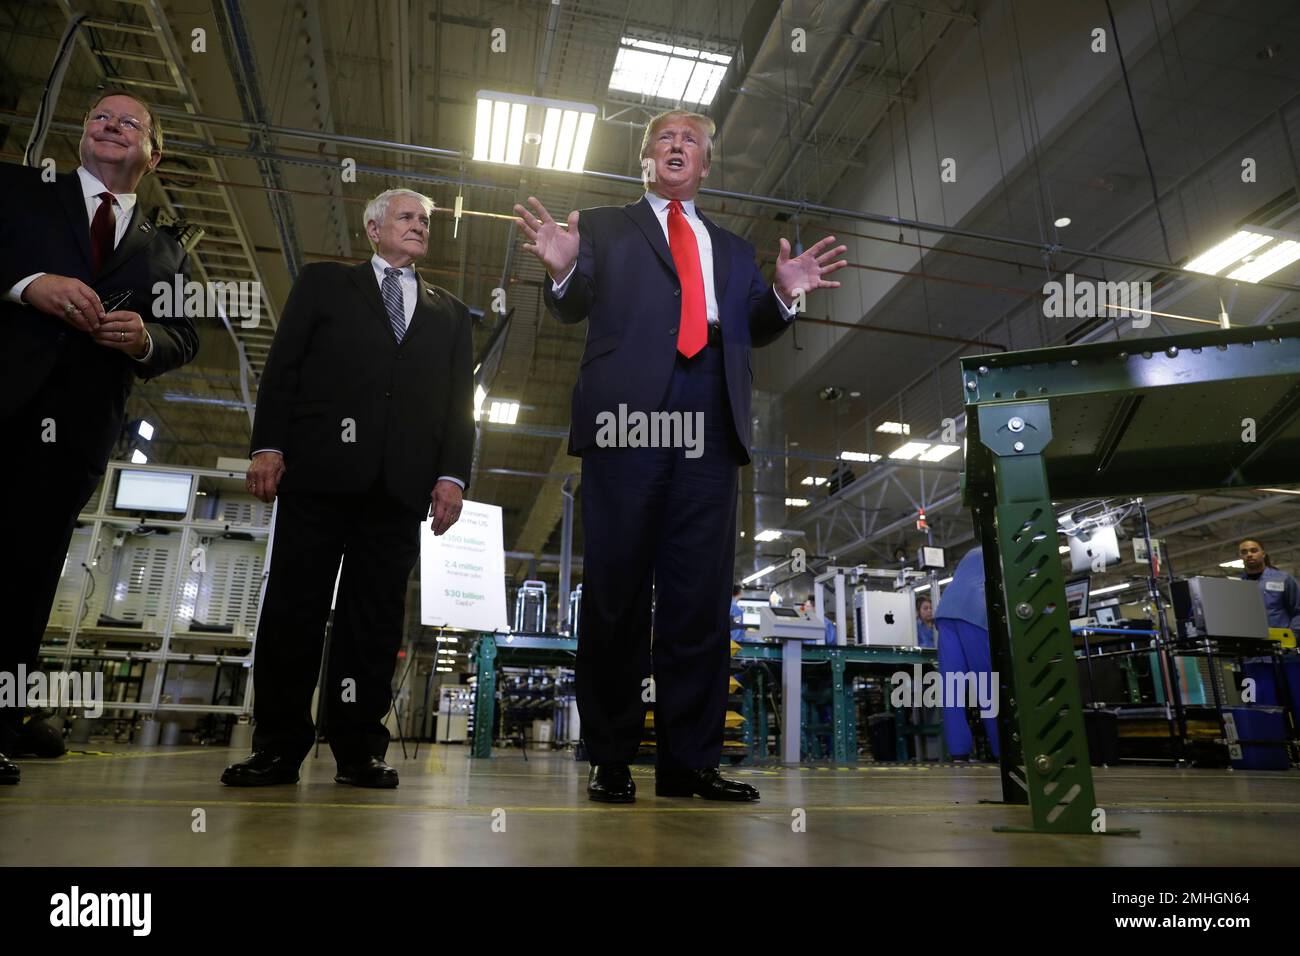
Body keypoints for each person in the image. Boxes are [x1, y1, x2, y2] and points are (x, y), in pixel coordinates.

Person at [516, 109, 847, 804]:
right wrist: (564, 269)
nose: (677, 146)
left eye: (690, 141)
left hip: (709, 419)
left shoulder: (731, 248)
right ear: (645, 158)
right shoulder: (604, 227)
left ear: (704, 166)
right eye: (664, 138)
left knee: (698, 602)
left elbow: (753, 327)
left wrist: (784, 293)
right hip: (626, 420)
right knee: (616, 595)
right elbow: (573, 305)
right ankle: (609, 755)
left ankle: (689, 763)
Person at [221, 188, 475, 789]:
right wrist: (268, 447)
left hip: (398, 488)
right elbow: (284, 367)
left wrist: (451, 475)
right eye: (408, 217)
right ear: (373, 228)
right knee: (294, 609)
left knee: (375, 621)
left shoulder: (451, 313)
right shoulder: (325, 284)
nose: (420, 227)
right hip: (317, 477)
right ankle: (278, 746)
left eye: (426, 220)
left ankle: (359, 748)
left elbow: (459, 406)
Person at [0, 90, 199, 785]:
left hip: (79, 427)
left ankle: (8, 717)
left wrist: (148, 339)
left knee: (30, 570)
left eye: (128, 122)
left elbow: (188, 335)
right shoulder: (20, 190)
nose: (109, 126)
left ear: (154, 152)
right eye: (98, 118)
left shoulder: (167, 247)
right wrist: (28, 285)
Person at [933, 546, 1000, 761]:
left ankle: (958, 752)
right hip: (974, 609)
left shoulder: (972, 551)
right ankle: (1003, 750)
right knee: (987, 686)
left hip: (946, 610)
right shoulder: (1008, 548)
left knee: (952, 688)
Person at [1237, 538, 1300, 630]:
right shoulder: (1236, 583)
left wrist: (1294, 635)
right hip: (1247, 638)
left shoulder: (1283, 579)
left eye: (1254, 551)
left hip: (1279, 640)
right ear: (1240, 556)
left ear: (1263, 554)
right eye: (1244, 552)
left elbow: (1297, 610)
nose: (1249, 555)